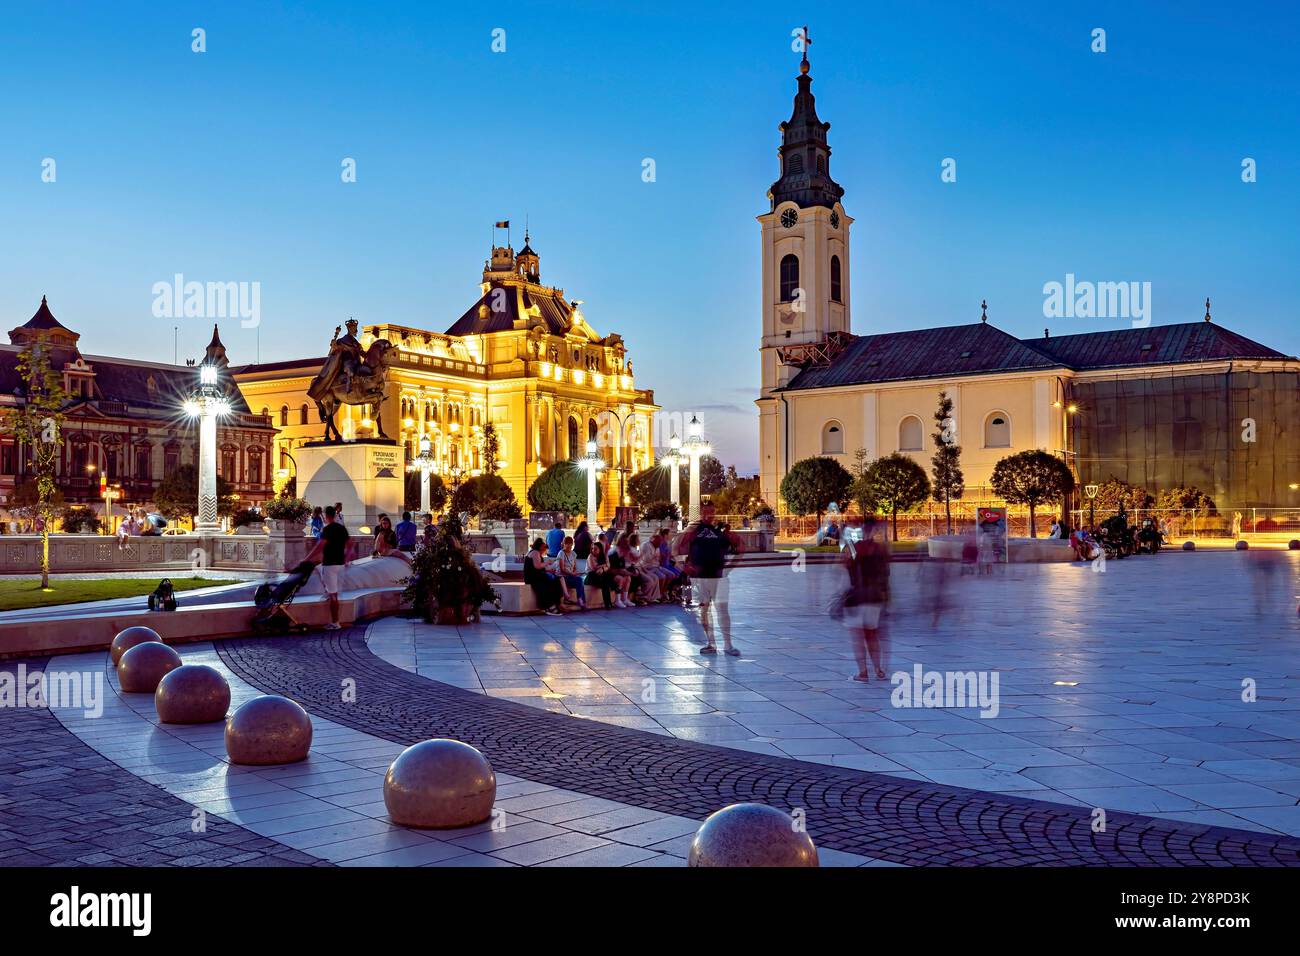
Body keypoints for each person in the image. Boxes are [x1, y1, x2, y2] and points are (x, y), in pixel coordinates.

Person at [677, 501, 745, 655]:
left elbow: (740, 548)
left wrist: (730, 567)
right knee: (705, 610)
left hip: (718, 576)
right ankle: (711, 643)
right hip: (701, 577)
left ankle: (728, 644)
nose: (709, 514)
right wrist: (683, 567)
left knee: (722, 610)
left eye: (712, 511)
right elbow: (676, 547)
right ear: (701, 512)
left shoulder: (720, 530)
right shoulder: (693, 530)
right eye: (706, 511)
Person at [842, 517, 890, 682]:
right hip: (875, 597)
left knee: (858, 636)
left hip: (857, 597)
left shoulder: (854, 549)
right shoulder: (879, 550)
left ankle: (863, 672)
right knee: (872, 634)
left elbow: (847, 569)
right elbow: (885, 575)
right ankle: (878, 669)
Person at [305, 504, 349, 630]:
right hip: (340, 563)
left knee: (333, 595)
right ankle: (336, 619)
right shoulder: (341, 528)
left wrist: (307, 558)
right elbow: (349, 543)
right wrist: (347, 557)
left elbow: (320, 546)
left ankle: (335, 622)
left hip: (330, 564)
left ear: (325, 515)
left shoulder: (327, 530)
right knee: (335, 592)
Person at [524, 537, 563, 615]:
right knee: (549, 584)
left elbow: (539, 567)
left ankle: (555, 605)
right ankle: (550, 606)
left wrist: (549, 570)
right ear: (541, 547)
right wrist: (547, 562)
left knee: (555, 581)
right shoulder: (535, 553)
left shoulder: (535, 552)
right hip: (533, 577)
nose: (545, 551)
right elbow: (537, 566)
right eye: (544, 549)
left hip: (536, 576)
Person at [584, 540, 620, 609]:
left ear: (600, 549)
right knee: (605, 580)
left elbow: (608, 566)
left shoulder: (604, 556)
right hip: (591, 576)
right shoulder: (590, 556)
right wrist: (604, 565)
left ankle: (608, 604)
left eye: (595, 549)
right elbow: (593, 567)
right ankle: (615, 587)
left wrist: (602, 569)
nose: (593, 550)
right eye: (592, 548)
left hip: (601, 576)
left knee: (605, 583)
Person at [555, 536, 587, 609]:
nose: (569, 545)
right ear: (564, 544)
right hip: (563, 576)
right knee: (579, 580)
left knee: (579, 580)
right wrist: (572, 573)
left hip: (570, 576)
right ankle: (582, 601)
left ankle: (580, 599)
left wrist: (575, 573)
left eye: (570, 544)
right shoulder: (561, 553)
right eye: (567, 543)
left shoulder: (573, 554)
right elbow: (562, 569)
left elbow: (575, 567)